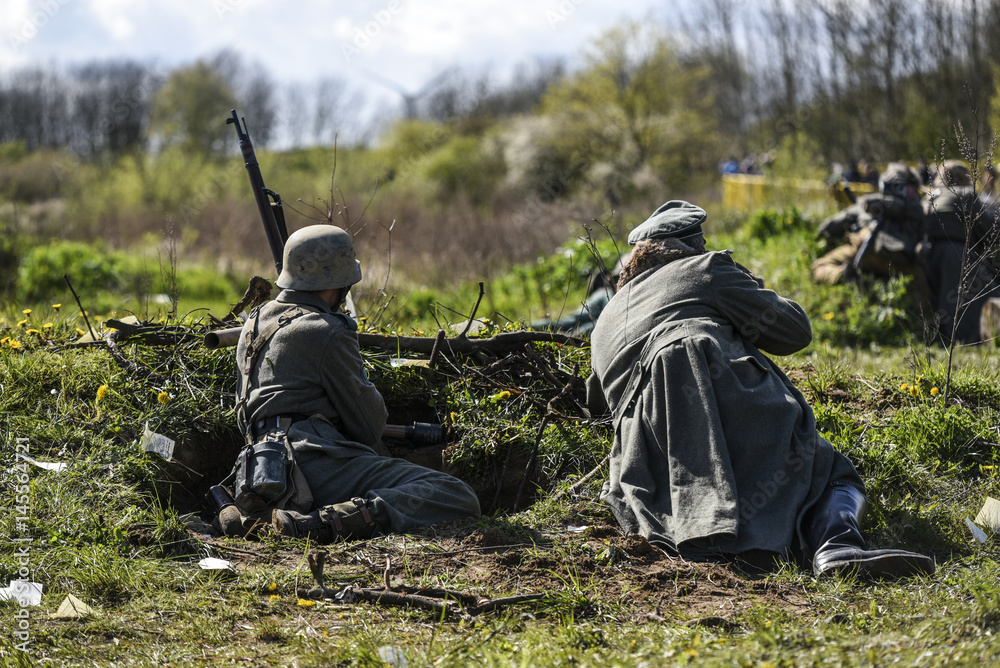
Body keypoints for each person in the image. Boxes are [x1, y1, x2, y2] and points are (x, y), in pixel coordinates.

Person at [587, 200, 935, 578]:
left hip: (643, 454)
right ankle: (837, 546)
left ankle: (710, 540)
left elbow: (595, 403)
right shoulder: (704, 268)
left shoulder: (605, 318)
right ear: (692, 246)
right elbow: (794, 331)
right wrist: (746, 282)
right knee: (829, 470)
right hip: (724, 391)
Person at [230, 225, 481, 542]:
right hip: (312, 468)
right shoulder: (326, 329)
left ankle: (252, 514)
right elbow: (369, 426)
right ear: (340, 282)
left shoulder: (254, 322)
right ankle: (322, 524)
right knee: (455, 494)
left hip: (261, 470)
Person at [811, 162, 928, 303]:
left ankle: (843, 275)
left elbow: (826, 228)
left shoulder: (867, 202)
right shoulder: (921, 208)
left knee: (819, 267)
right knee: (924, 295)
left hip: (864, 249)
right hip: (905, 261)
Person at [920, 160, 999, 344]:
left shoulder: (930, 196)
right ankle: (969, 339)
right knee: (987, 294)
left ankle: (939, 337)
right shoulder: (966, 193)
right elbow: (989, 230)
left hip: (927, 254)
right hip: (955, 252)